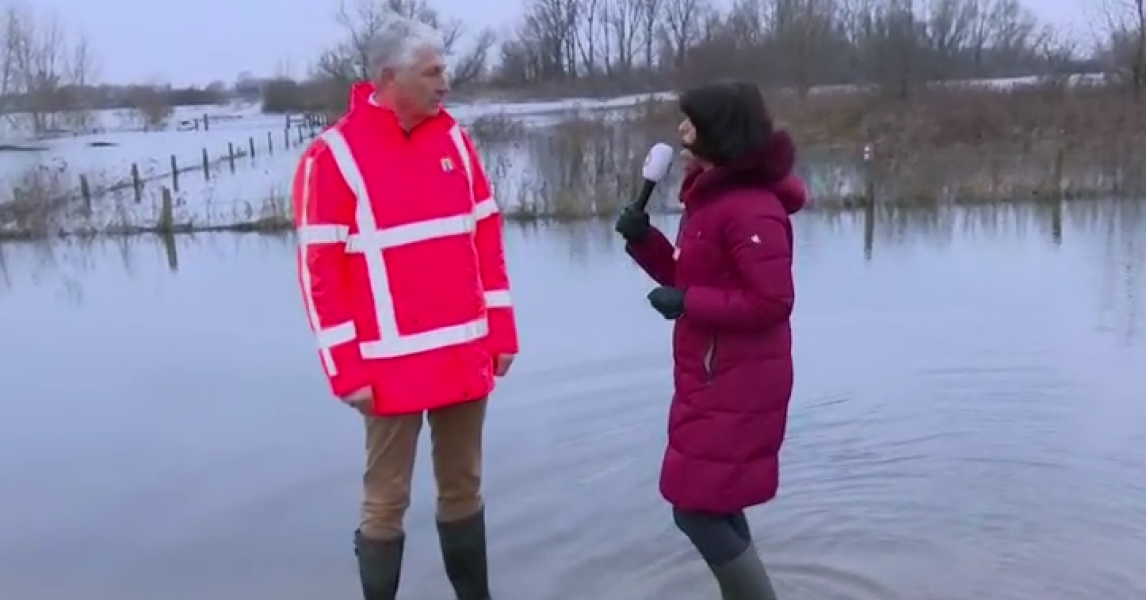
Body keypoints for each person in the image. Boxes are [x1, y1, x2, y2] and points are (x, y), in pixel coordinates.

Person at [290, 16, 518, 600]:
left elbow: (486, 238)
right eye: (432, 71)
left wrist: (501, 331)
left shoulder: (455, 141)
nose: (447, 81)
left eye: (444, 70)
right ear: (390, 77)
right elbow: (320, 273)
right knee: (387, 498)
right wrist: (345, 369)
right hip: (387, 364)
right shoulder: (333, 156)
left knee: (464, 485)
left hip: (464, 350)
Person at [613, 81, 806, 600]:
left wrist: (689, 305)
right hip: (713, 374)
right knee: (714, 503)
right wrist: (643, 240)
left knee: (696, 509)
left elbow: (772, 302)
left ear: (718, 131)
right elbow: (690, 277)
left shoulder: (749, 207)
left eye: (691, 122)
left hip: (738, 383)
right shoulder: (712, 197)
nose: (681, 130)